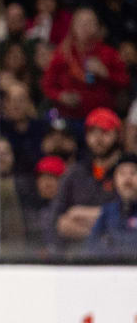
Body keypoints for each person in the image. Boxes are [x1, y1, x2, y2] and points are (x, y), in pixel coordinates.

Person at [49, 106, 125, 252]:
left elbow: (127, 217)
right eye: (92, 132)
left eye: (105, 132)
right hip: (79, 257)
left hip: (122, 257)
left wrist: (79, 213)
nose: (98, 139)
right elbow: (58, 220)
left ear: (118, 135)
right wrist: (101, 236)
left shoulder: (129, 171)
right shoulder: (75, 173)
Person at [86, 153, 137, 257]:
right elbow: (91, 244)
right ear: (114, 179)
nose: (127, 179)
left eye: (133, 173)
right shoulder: (108, 211)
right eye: (122, 173)